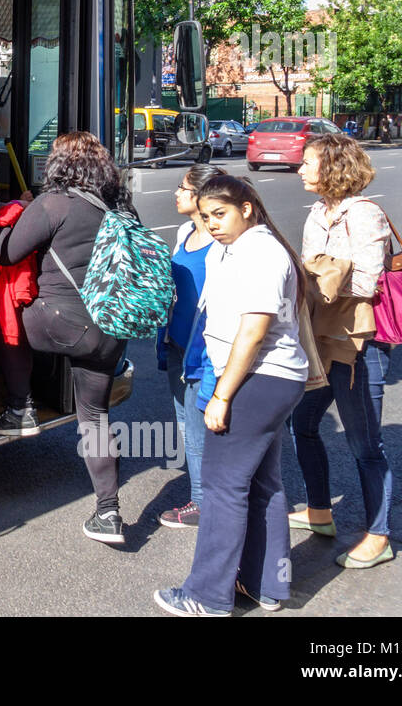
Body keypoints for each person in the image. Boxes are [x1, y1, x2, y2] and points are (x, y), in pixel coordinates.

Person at [154, 175, 308, 615]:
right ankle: (267, 586)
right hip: (268, 379)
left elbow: (253, 331)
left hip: (256, 379)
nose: (213, 224)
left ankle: (207, 596)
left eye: (220, 214)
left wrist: (221, 395)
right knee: (262, 483)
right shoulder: (238, 248)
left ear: (247, 208)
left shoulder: (259, 253)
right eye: (206, 216)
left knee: (223, 489)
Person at [0, 131, 131, 545]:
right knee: (95, 419)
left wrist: (16, 215)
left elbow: (6, 254)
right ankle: (108, 513)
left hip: (60, 325)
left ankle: (20, 407)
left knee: (6, 308)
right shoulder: (118, 205)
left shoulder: (53, 203)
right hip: (112, 327)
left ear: (60, 165)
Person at [290, 133, 395, 568]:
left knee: (364, 444)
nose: (300, 169)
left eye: (308, 162)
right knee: (304, 424)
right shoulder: (318, 211)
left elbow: (367, 282)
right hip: (320, 336)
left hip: (358, 344)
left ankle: (380, 535)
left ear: (332, 167)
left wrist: (317, 277)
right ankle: (320, 512)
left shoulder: (365, 214)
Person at [155, 163, 224, 529]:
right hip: (177, 345)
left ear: (202, 196)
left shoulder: (221, 244)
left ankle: (202, 503)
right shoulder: (185, 232)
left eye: (183, 188)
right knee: (185, 424)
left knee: (198, 434)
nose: (177, 194)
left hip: (203, 354)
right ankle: (205, 497)